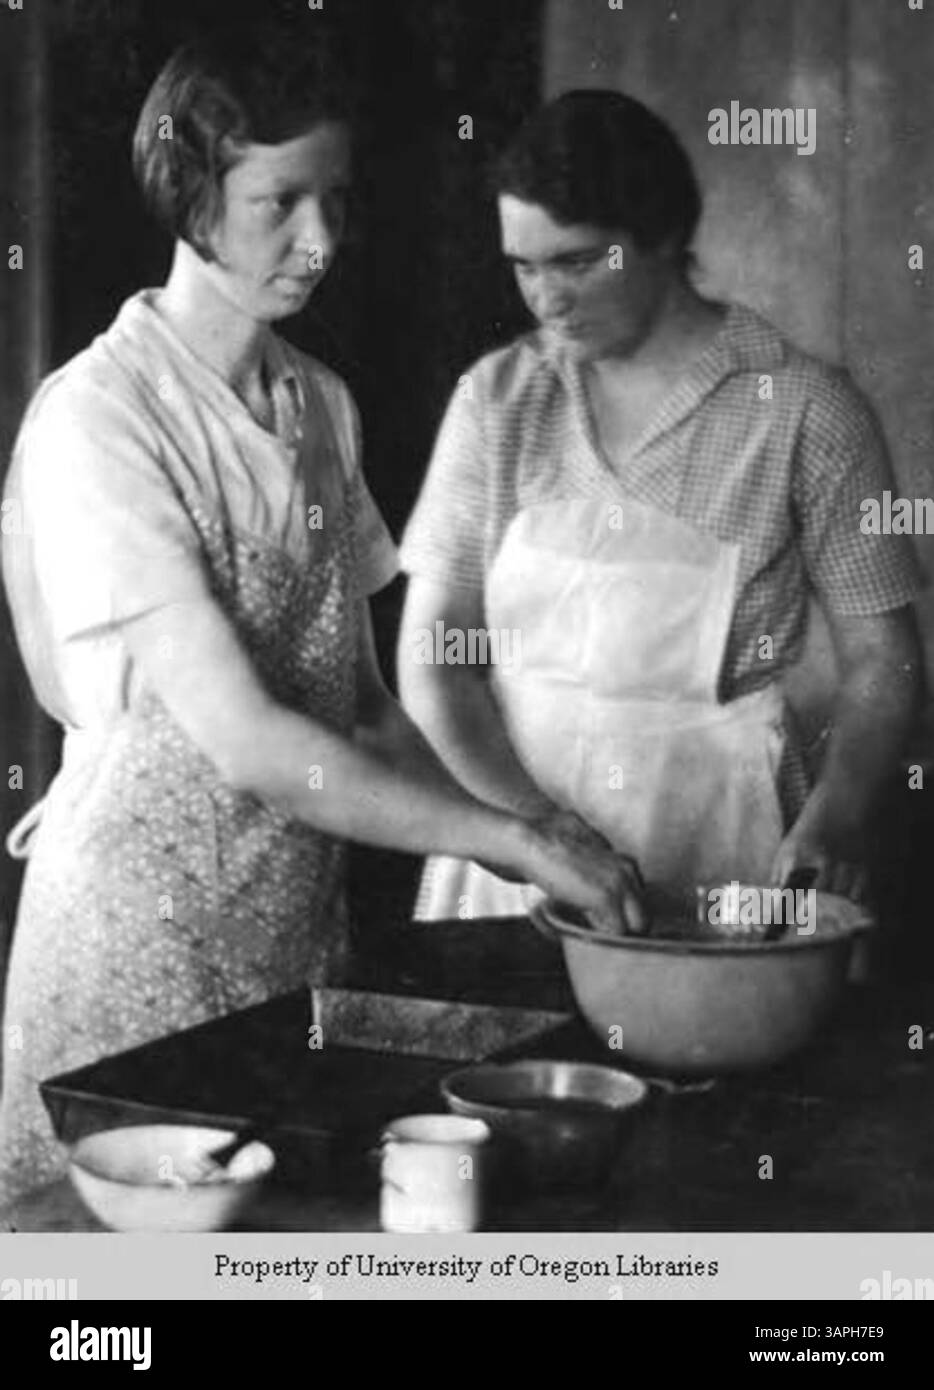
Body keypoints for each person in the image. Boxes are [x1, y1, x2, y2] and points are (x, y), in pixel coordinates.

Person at [0, 39, 640, 1209]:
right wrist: (508, 844)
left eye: (334, 198)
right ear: (190, 199)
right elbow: (252, 740)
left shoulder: (319, 407)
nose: (321, 240)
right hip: (130, 941)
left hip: (290, 940)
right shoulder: (103, 416)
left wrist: (528, 822)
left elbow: (359, 708)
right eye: (277, 203)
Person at [398, 89, 924, 924]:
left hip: (720, 837)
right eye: (523, 267)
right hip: (513, 845)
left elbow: (883, 662)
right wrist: (540, 834)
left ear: (667, 237)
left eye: (575, 262)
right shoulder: (497, 401)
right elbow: (432, 661)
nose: (546, 299)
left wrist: (837, 816)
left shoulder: (804, 408)